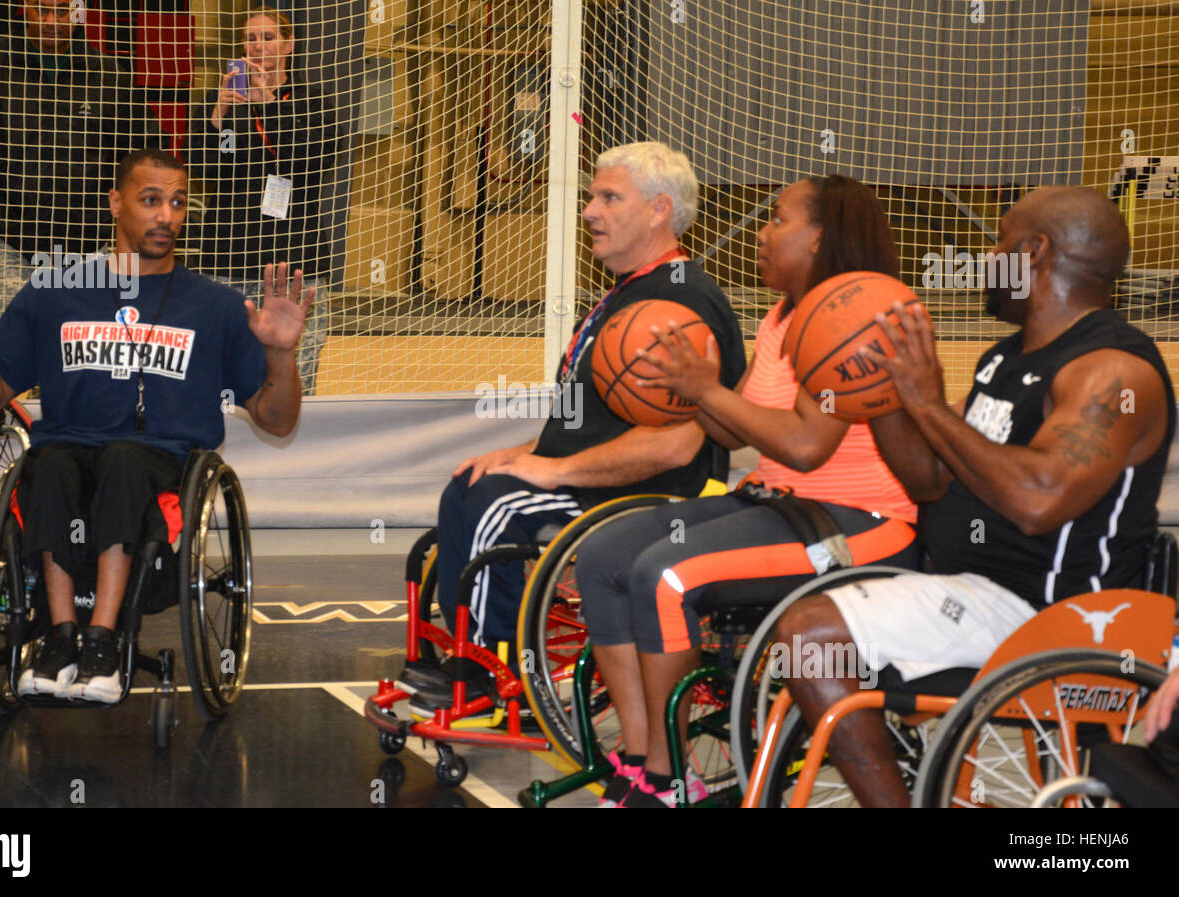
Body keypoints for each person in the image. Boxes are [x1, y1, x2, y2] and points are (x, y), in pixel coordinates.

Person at [775, 185, 1175, 807]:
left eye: (1000, 241)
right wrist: (887, 395)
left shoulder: (1113, 372)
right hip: (979, 593)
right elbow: (931, 479)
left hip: (1053, 613)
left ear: (1035, 252)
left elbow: (1038, 500)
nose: (988, 257)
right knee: (808, 628)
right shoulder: (1005, 359)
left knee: (810, 636)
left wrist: (929, 403)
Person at [0, 149, 313, 703]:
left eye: (177, 202)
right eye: (151, 201)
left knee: (124, 458)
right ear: (115, 203)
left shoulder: (216, 306)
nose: (166, 216)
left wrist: (280, 355)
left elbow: (278, 418)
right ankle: (59, 638)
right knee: (45, 462)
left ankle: (103, 641)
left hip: (162, 465)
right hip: (69, 454)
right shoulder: (54, 292)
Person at [574, 174, 920, 808]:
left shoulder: (861, 314)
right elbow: (734, 434)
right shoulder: (782, 315)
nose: (761, 233)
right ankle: (640, 757)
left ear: (821, 236)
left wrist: (707, 389)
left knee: (665, 576)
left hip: (860, 523)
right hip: (782, 505)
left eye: (778, 219)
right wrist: (678, 385)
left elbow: (806, 445)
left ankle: (668, 777)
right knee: (602, 556)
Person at [411, 142, 748, 711]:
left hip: (657, 493)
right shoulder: (629, 295)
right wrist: (523, 453)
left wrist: (552, 469)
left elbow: (678, 442)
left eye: (609, 197)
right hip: (598, 478)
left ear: (658, 210)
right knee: (472, 481)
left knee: (499, 505)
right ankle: (458, 654)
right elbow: (585, 424)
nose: (589, 210)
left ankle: (492, 677)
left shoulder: (678, 304)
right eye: (592, 196)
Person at [0, 0, 165, 334]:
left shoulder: (107, 73)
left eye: (63, 10)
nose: (52, 20)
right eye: (42, 9)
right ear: (25, 7)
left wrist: (128, 207)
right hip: (6, 248)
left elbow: (147, 151)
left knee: (83, 367)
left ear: (78, 12)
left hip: (88, 253)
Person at [184, 6, 332, 392]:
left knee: (293, 378)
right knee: (221, 378)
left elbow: (307, 165)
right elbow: (201, 166)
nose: (258, 46)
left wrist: (268, 105)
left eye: (267, 38)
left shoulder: (311, 102)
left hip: (291, 262)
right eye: (250, 39)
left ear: (288, 46)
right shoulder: (227, 105)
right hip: (228, 257)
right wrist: (219, 112)